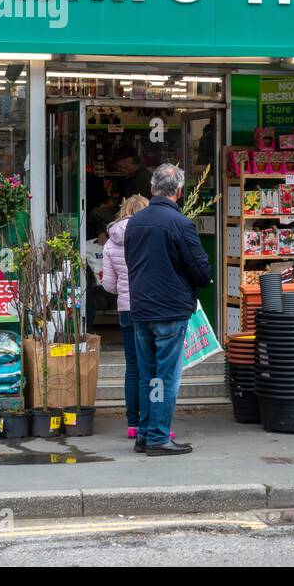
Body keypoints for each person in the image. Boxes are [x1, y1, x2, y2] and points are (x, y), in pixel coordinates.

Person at [125, 164, 211, 456]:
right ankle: (159, 436)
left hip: (141, 309)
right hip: (170, 312)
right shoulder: (180, 224)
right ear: (178, 191)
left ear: (152, 189)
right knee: (165, 377)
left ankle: (146, 433)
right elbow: (201, 270)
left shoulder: (134, 223)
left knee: (149, 375)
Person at [100, 194, 149, 440]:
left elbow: (109, 286)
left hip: (126, 308)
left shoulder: (111, 242)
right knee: (149, 365)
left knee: (132, 367)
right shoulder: (150, 235)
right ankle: (148, 420)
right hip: (149, 306)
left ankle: (132, 424)